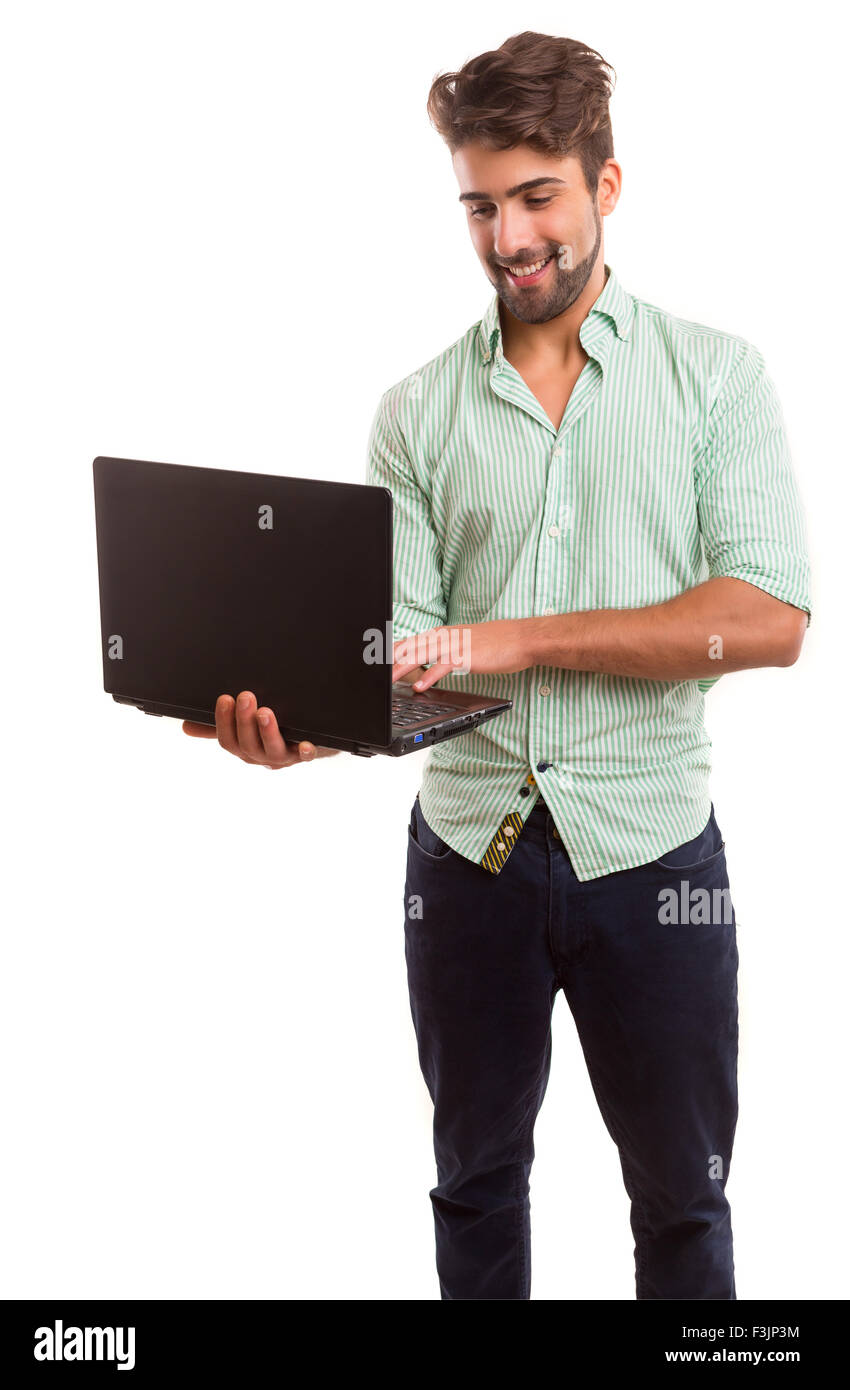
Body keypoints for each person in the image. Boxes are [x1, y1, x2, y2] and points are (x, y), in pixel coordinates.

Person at [184, 30, 812, 1301]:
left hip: (651, 857)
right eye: (479, 205)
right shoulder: (413, 412)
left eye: (536, 198)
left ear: (605, 187)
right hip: (465, 865)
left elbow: (767, 618)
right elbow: (405, 656)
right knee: (474, 1184)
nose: (509, 237)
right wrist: (302, 721)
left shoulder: (714, 379)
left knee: (683, 1203)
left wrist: (517, 637)